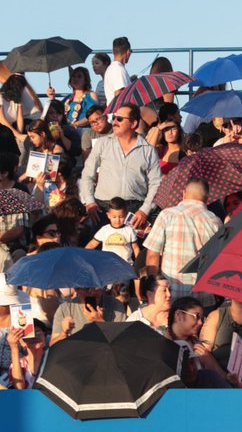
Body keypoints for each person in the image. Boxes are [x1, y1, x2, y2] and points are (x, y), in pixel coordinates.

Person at [80, 103, 162, 231]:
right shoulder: (102, 144)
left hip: (134, 210)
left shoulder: (148, 150)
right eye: (114, 118)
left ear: (133, 124)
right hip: (103, 209)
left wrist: (145, 210)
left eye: (119, 119)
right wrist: (90, 202)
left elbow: (156, 183)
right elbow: (87, 175)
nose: (114, 122)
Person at [143, 178, 221, 303]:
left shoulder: (167, 215)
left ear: (184, 193)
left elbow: (152, 256)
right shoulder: (215, 221)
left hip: (171, 294)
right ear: (207, 198)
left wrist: (154, 291)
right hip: (204, 296)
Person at [85, 197, 140, 264]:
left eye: (121, 217)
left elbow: (136, 248)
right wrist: (83, 255)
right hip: (107, 266)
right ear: (108, 215)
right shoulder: (104, 230)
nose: (117, 220)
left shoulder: (129, 230)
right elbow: (92, 244)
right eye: (114, 217)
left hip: (126, 266)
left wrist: (137, 264)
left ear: (126, 215)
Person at [104, 37, 132, 106]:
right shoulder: (118, 69)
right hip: (119, 114)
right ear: (128, 52)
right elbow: (119, 93)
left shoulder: (110, 68)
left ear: (113, 52)